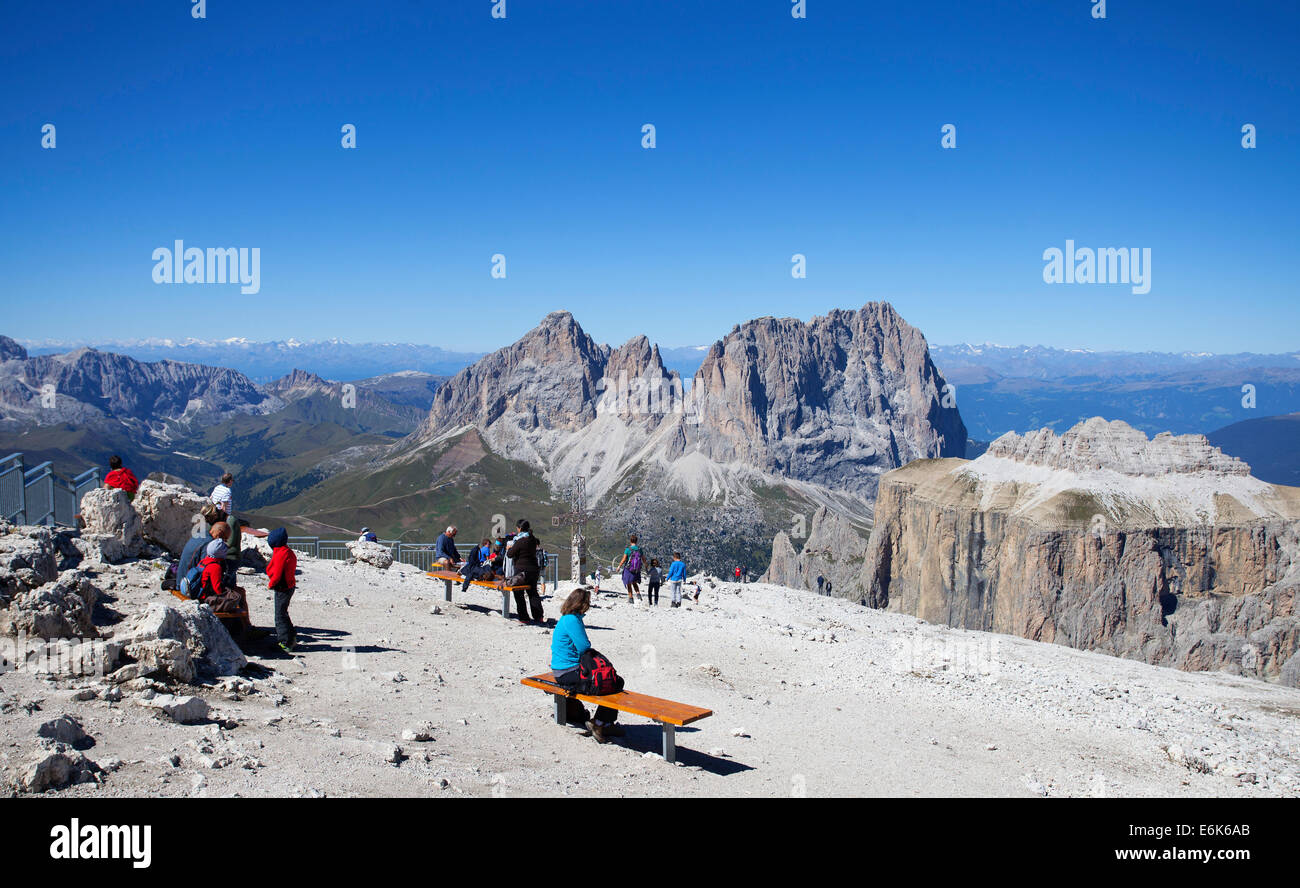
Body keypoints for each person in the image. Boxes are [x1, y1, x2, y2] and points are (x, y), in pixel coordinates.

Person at [550, 587, 623, 743]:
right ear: (581, 604)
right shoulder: (572, 620)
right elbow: (583, 646)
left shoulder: (567, 618)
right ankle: (600, 723)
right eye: (587, 602)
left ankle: (605, 722)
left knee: (609, 680)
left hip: (563, 669)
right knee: (611, 682)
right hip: (568, 671)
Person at [198, 523, 252, 632]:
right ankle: (244, 627)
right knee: (237, 595)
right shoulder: (215, 567)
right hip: (207, 597)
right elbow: (217, 589)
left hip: (202, 592)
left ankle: (243, 625)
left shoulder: (204, 561)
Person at [506, 519, 544, 624]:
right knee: (533, 592)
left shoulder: (519, 541)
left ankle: (524, 617)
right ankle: (538, 616)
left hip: (521, 570)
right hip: (534, 569)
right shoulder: (533, 539)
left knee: (518, 592)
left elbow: (510, 554)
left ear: (520, 528)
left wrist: (509, 548)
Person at [266, 527, 297, 653]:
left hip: (282, 587)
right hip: (289, 585)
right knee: (283, 613)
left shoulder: (280, 553)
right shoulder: (287, 551)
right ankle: (291, 637)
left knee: (279, 615)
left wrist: (271, 583)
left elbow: (278, 572)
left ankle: (285, 642)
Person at [617, 534, 644, 603]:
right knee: (634, 582)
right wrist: (646, 565)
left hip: (628, 569)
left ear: (630, 541)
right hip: (636, 570)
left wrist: (619, 566)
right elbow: (643, 559)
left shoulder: (628, 550)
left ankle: (631, 598)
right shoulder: (639, 550)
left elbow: (623, 559)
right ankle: (638, 593)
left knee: (628, 583)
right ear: (636, 541)